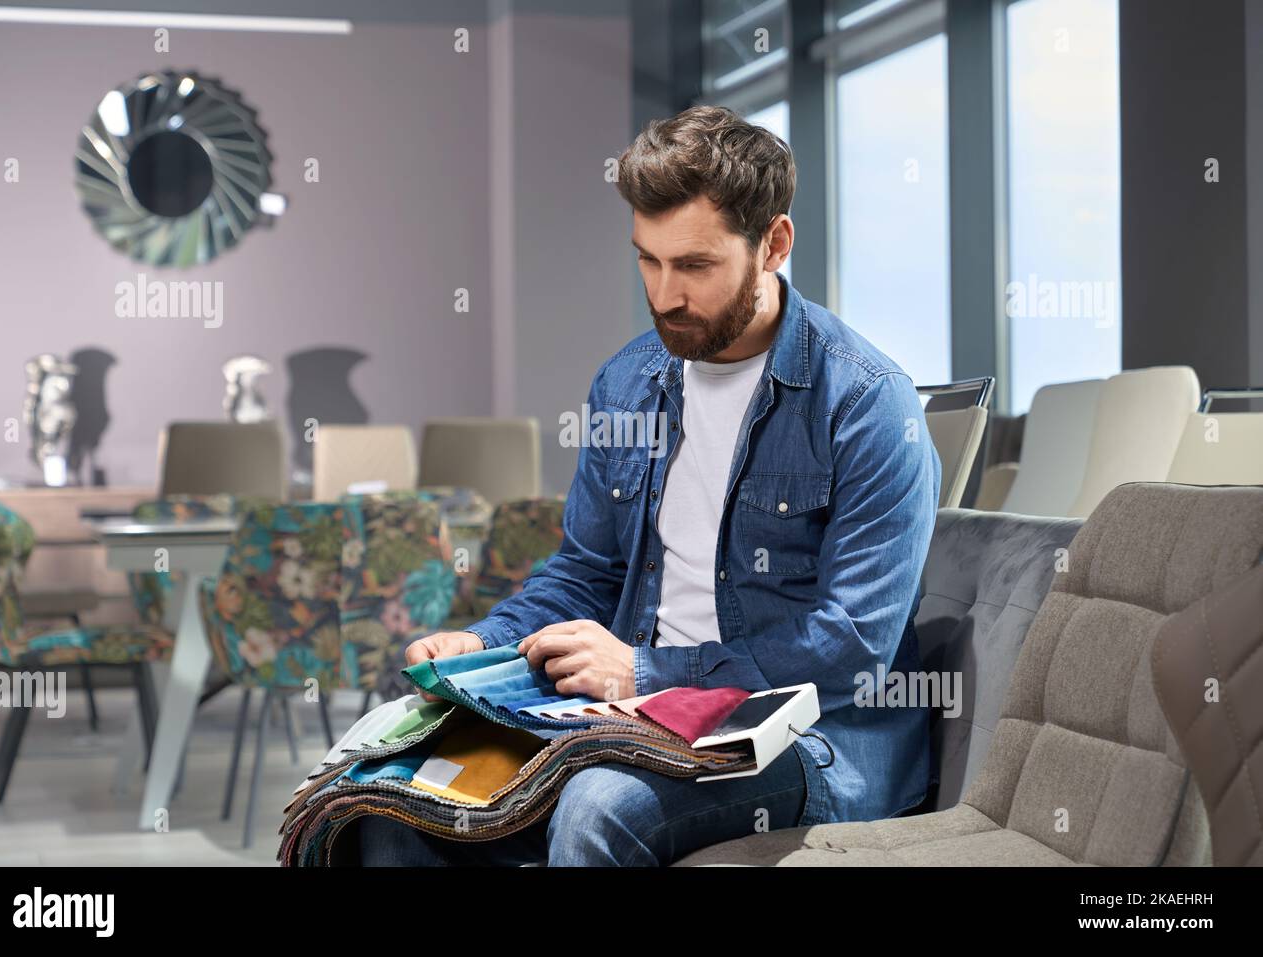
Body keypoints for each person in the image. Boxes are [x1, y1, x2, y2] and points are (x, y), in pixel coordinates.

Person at [359, 104, 941, 866]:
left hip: (811, 732)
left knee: (601, 806)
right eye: (647, 260)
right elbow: (587, 570)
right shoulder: (628, 381)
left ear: (774, 244)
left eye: (695, 266)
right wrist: (482, 639)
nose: (665, 295)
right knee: (394, 800)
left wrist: (647, 670)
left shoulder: (864, 401)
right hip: (634, 711)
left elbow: (853, 646)